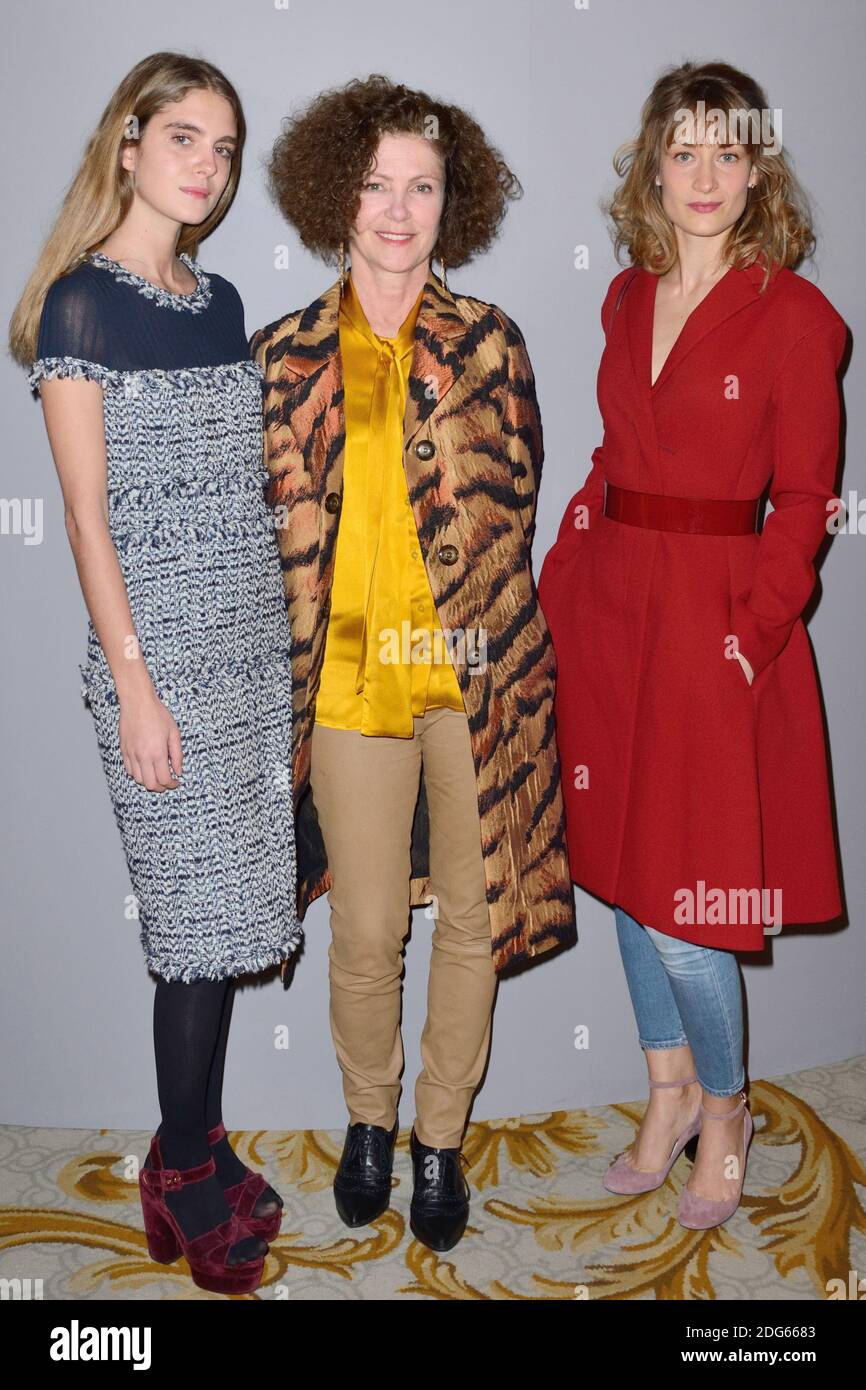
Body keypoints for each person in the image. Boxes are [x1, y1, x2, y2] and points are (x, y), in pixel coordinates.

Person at [250, 74, 576, 1252]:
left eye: (421, 187)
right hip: (344, 689)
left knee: (475, 922)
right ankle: (369, 1122)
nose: (397, 210)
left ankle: (441, 1135)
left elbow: (516, 507)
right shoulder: (282, 357)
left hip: (474, 686)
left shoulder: (490, 342)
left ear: (453, 203)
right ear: (338, 196)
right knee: (365, 931)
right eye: (377, 185)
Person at [537, 60, 847, 1229]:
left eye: (728, 151)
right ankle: (663, 1093)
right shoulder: (624, 295)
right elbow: (610, 459)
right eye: (683, 150)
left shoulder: (797, 316)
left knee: (689, 906)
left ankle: (725, 1110)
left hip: (714, 630)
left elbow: (807, 498)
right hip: (612, 609)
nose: (703, 175)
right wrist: (555, 589)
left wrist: (751, 636)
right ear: (650, 167)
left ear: (756, 166)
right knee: (622, 876)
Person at [10, 52, 301, 1295]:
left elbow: (241, 492)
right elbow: (85, 520)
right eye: (186, 137)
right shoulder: (80, 304)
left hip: (246, 649)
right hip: (157, 658)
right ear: (127, 144)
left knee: (229, 921)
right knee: (188, 934)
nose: (208, 166)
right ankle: (180, 1173)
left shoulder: (221, 299)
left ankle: (202, 1140)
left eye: (225, 147)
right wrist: (134, 683)